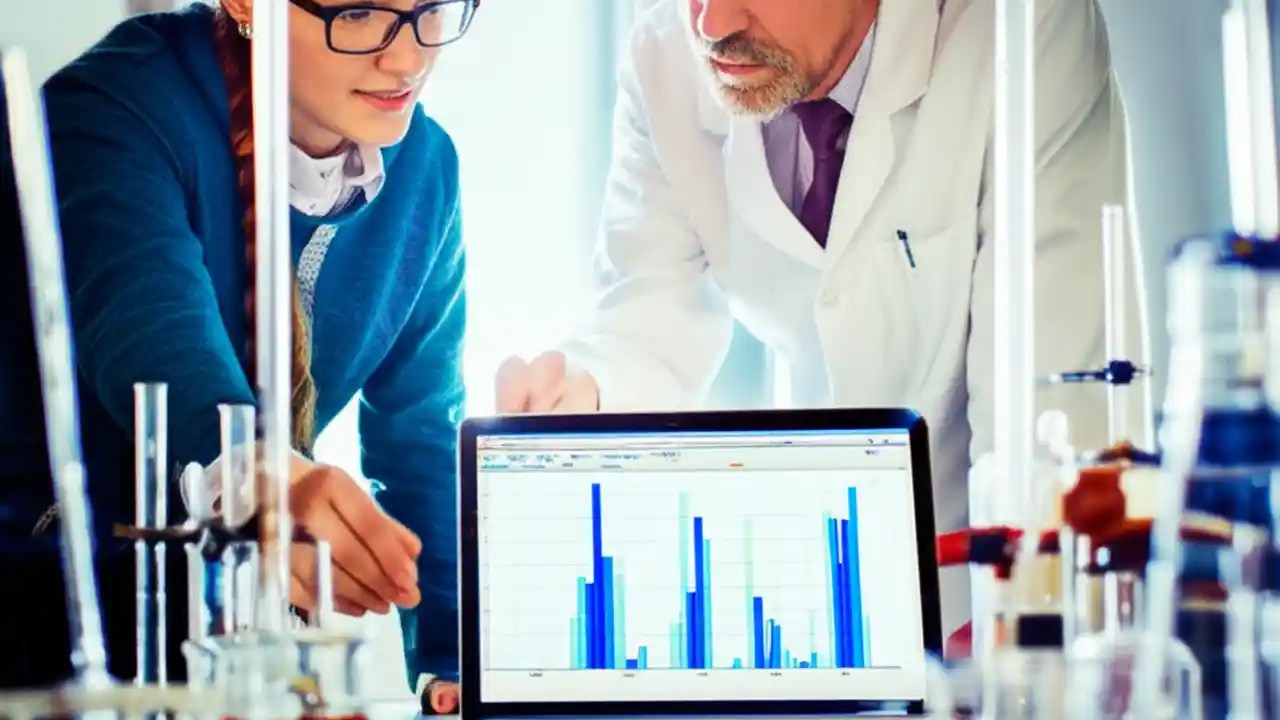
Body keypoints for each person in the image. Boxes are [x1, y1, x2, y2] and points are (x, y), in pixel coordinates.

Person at [495, 0, 1129, 637]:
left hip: (980, 590)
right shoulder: (665, 56)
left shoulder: (1021, 27)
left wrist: (1018, 631)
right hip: (807, 600)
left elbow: (1049, 408)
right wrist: (583, 393)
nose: (712, 25)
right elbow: (648, 320)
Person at [0, 0, 471, 708]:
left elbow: (421, 436)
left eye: (433, 9)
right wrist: (260, 473)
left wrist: (449, 659)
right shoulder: (109, 110)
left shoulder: (423, 168)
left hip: (219, 640)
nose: (408, 58)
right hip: (42, 637)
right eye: (360, 13)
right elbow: (151, 328)